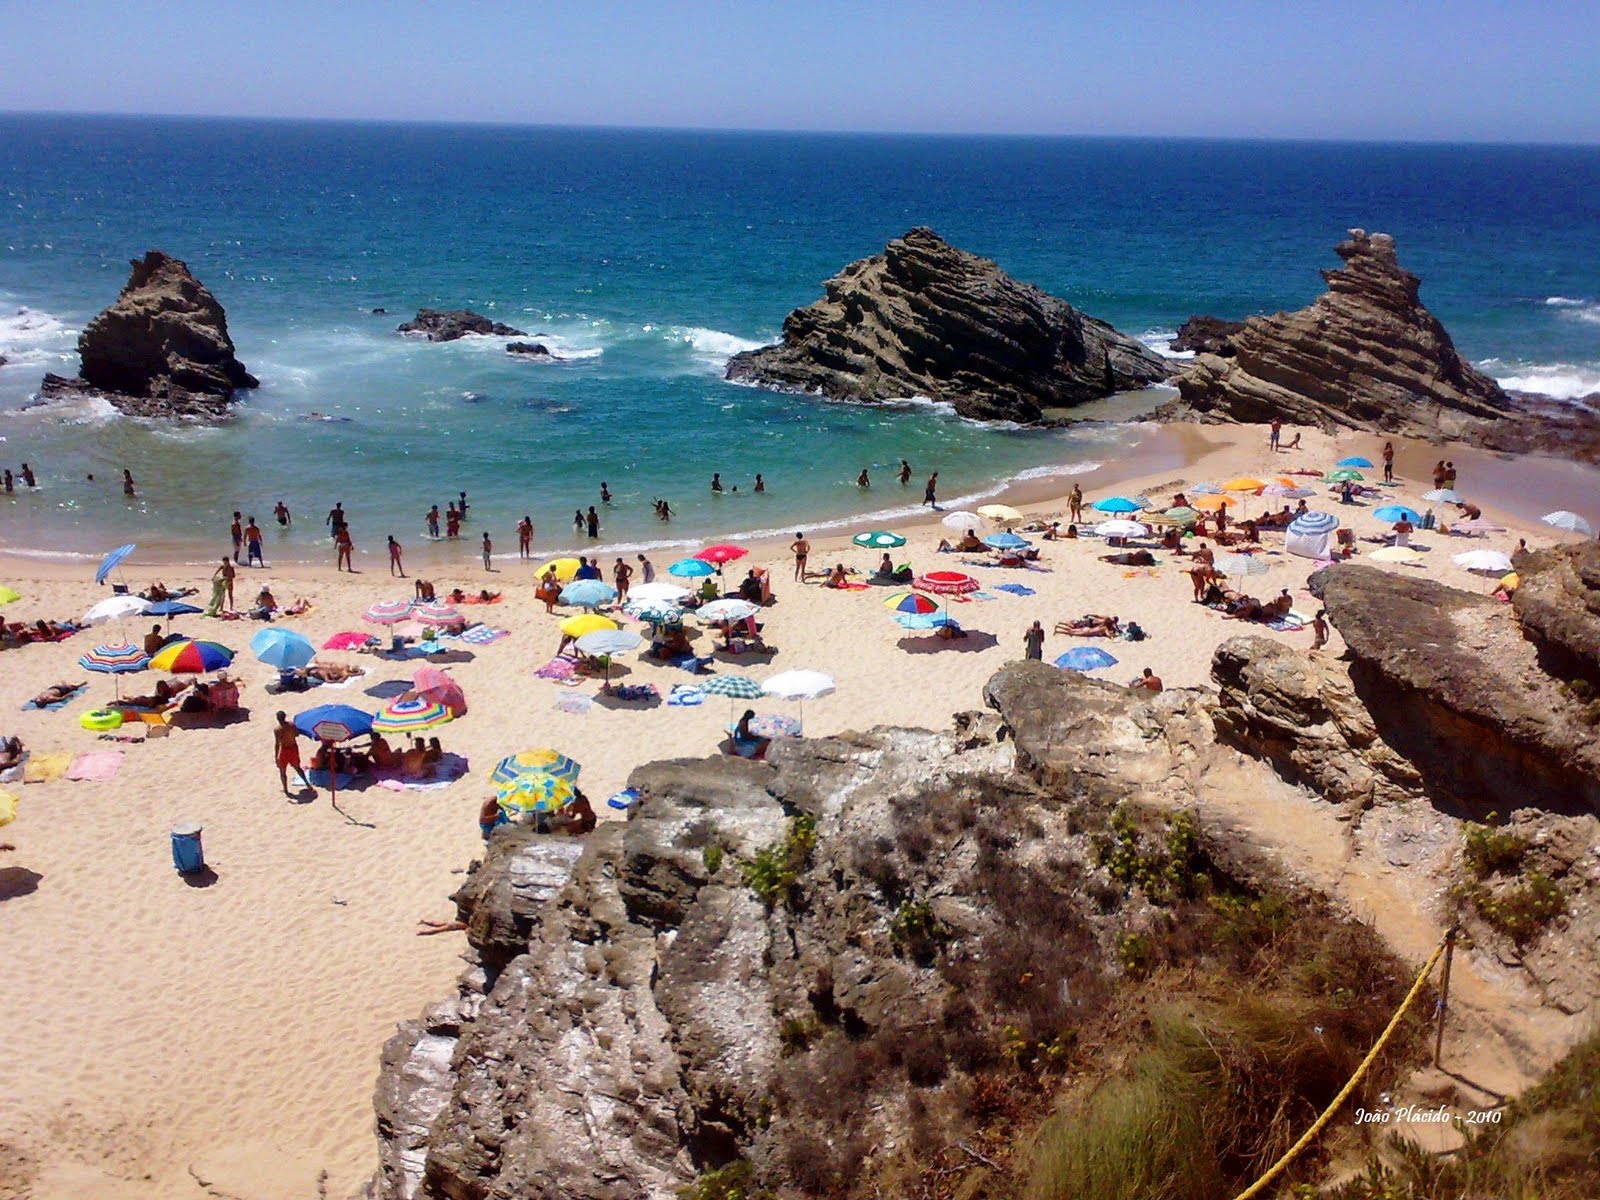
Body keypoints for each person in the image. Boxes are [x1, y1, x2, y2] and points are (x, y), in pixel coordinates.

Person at [275, 711, 311, 796]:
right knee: (297, 767)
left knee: (282, 771)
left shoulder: (277, 730)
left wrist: (276, 756)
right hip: (293, 747)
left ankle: (286, 790)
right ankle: (307, 784)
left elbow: (277, 744)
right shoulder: (292, 725)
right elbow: (297, 734)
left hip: (285, 749)